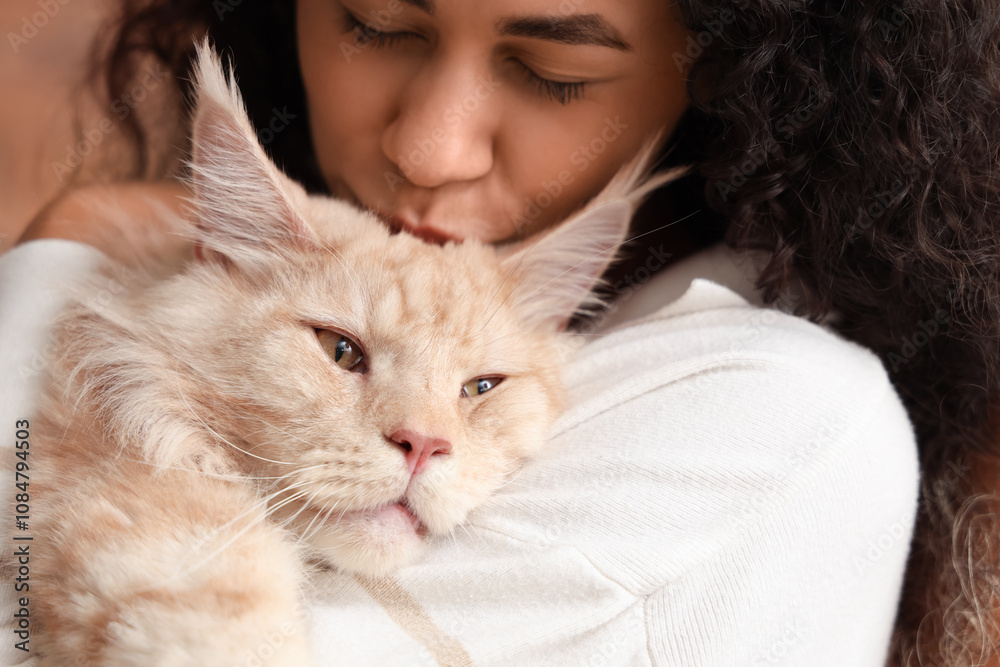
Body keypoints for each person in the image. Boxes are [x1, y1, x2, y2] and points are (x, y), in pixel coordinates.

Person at [1, 0, 997, 665]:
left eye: (552, 71)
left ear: (730, 69)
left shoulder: (781, 409)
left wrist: (52, 267)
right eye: (376, 23)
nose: (429, 148)